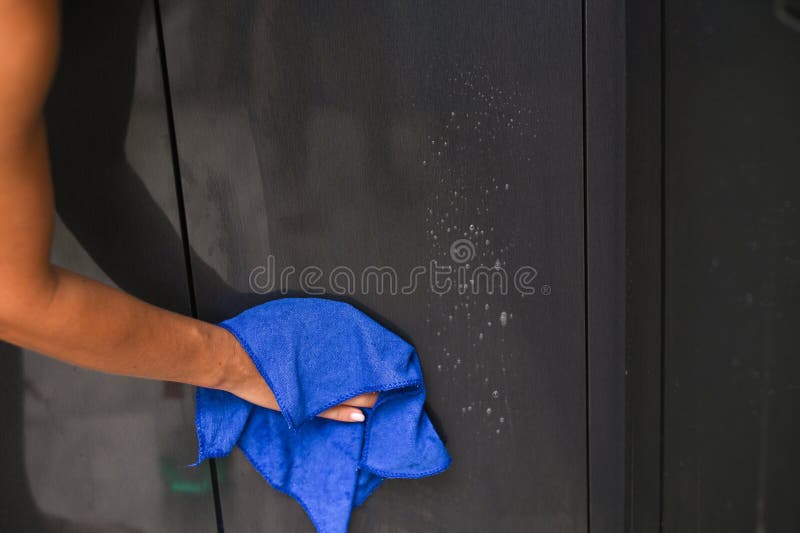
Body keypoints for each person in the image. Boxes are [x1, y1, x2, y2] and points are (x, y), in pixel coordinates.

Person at [0, 0, 375, 423]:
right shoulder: (15, 24)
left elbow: (84, 160)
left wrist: (230, 317)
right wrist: (233, 364)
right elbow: (13, 297)